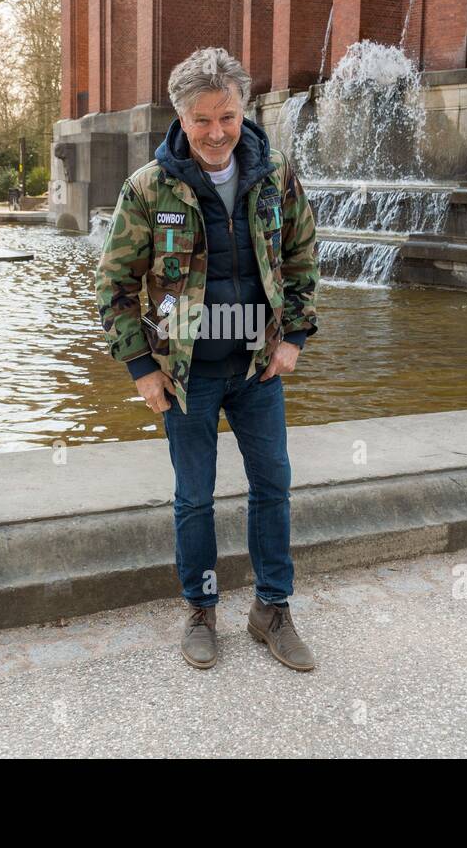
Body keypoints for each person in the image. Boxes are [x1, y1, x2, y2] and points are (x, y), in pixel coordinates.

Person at [95, 46, 319, 672]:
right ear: (181, 118)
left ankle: (272, 609)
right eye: (202, 120)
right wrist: (141, 367)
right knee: (194, 496)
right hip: (185, 376)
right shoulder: (148, 188)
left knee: (272, 483)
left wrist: (293, 339)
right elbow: (113, 286)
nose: (216, 133)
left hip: (257, 370)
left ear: (243, 110)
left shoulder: (277, 176)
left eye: (226, 116)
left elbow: (302, 260)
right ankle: (200, 609)